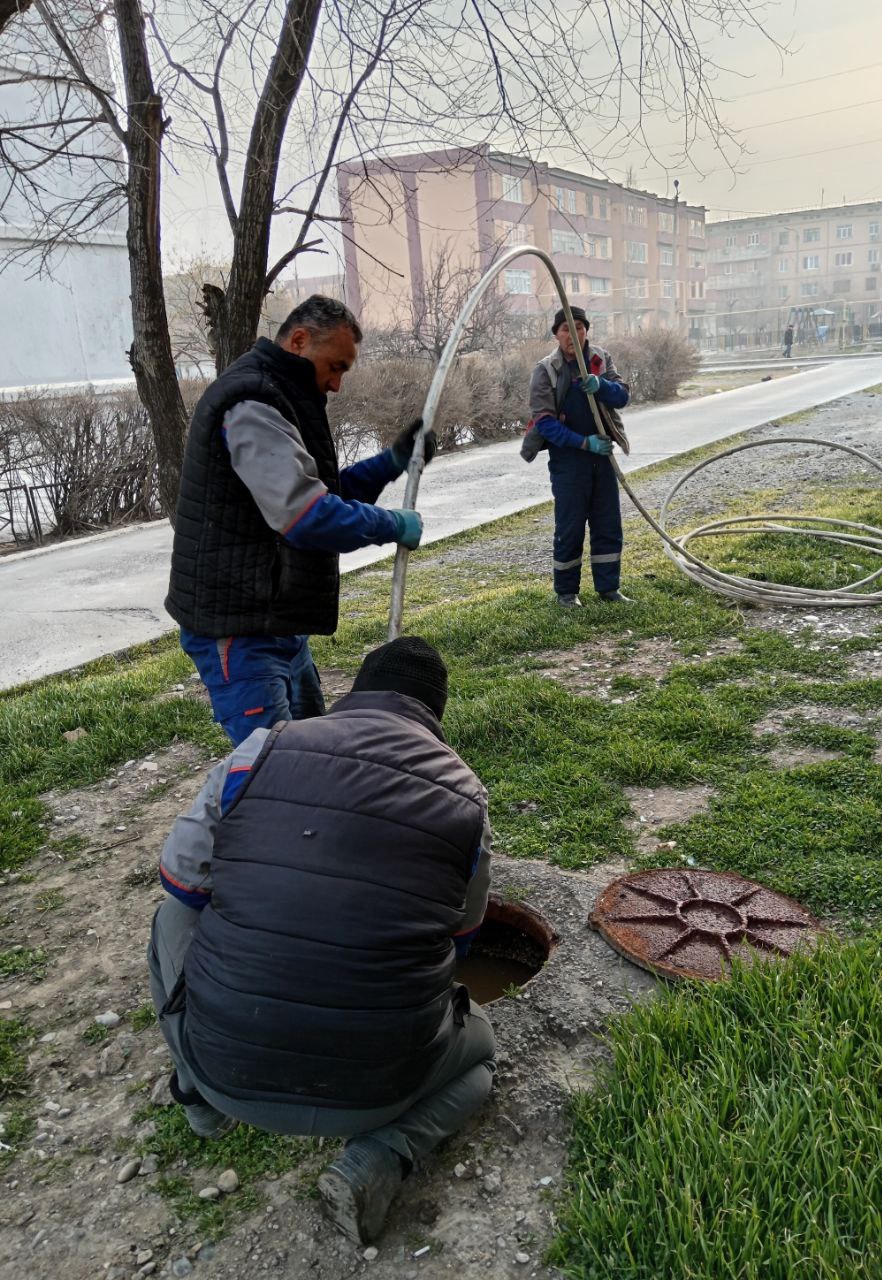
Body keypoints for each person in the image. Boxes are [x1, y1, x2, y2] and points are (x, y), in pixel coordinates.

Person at [148, 635, 495, 1246]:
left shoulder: (262, 747)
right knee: (482, 1059)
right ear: (435, 715)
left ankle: (193, 1091)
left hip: (223, 1062)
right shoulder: (465, 793)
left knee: (169, 917)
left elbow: (181, 877)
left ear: (352, 695)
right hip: (379, 1088)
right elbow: (462, 935)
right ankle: (381, 1153)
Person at [165, 295, 437, 745]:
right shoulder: (252, 403)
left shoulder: (284, 395)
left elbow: (320, 494)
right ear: (298, 340)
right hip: (240, 629)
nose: (337, 384)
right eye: (336, 367)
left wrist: (391, 463)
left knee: (311, 754)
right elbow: (306, 516)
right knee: (270, 771)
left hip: (276, 623)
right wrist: (391, 524)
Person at [524, 306, 631, 607]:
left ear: (587, 330)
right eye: (566, 330)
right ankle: (567, 593)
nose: (574, 335)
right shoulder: (546, 370)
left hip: (604, 458)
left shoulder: (600, 360)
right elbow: (544, 422)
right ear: (556, 335)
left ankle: (609, 588)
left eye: (580, 328)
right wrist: (584, 443)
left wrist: (602, 386)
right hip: (569, 461)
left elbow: (622, 396)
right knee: (570, 526)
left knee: (608, 523)